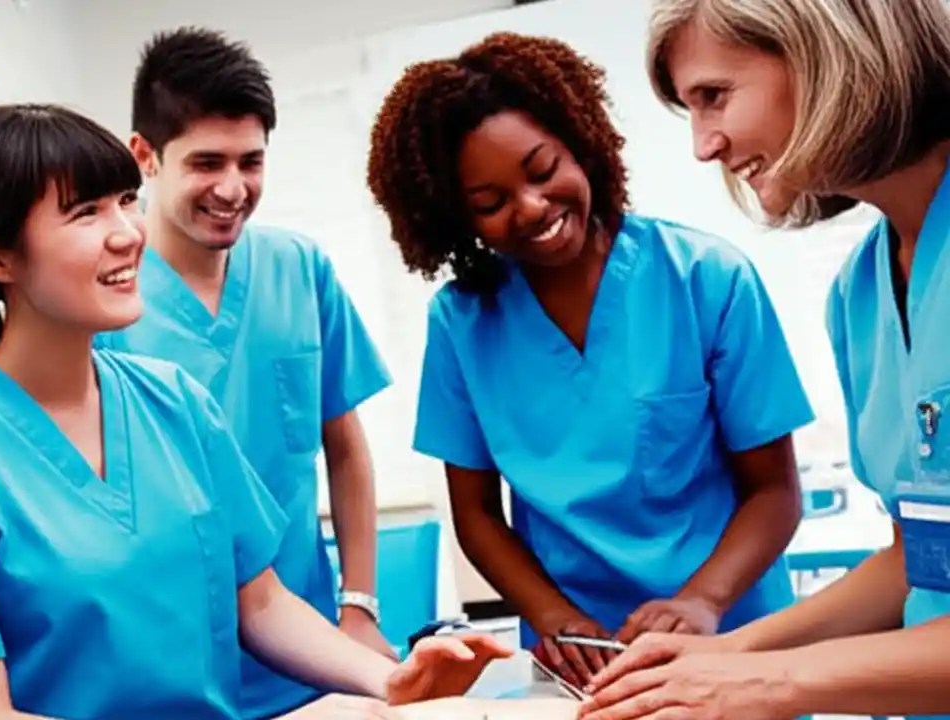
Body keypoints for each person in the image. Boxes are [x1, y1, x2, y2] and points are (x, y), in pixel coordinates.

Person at [0, 102, 511, 720]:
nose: (127, 233)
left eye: (125, 201)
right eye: (85, 213)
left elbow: (259, 603)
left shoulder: (176, 401)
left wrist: (390, 681)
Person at [365, 31, 814, 691]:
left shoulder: (704, 280)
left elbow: (774, 493)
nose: (531, 207)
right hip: (582, 659)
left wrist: (703, 601)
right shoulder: (461, 324)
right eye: (490, 204)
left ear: (580, 141)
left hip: (732, 635)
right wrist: (555, 619)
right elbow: (478, 516)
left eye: (543, 169)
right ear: (456, 217)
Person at [578, 1, 950, 718]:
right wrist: (732, 651)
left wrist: (774, 682)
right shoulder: (860, 295)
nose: (703, 146)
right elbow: (922, 562)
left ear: (825, 54)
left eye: (714, 97)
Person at [94, 27, 396, 719]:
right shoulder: (102, 291)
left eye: (251, 162)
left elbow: (344, 449)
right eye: (207, 162)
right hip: (175, 670)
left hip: (309, 655)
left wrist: (359, 606)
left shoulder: (300, 269)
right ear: (145, 155)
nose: (233, 189)